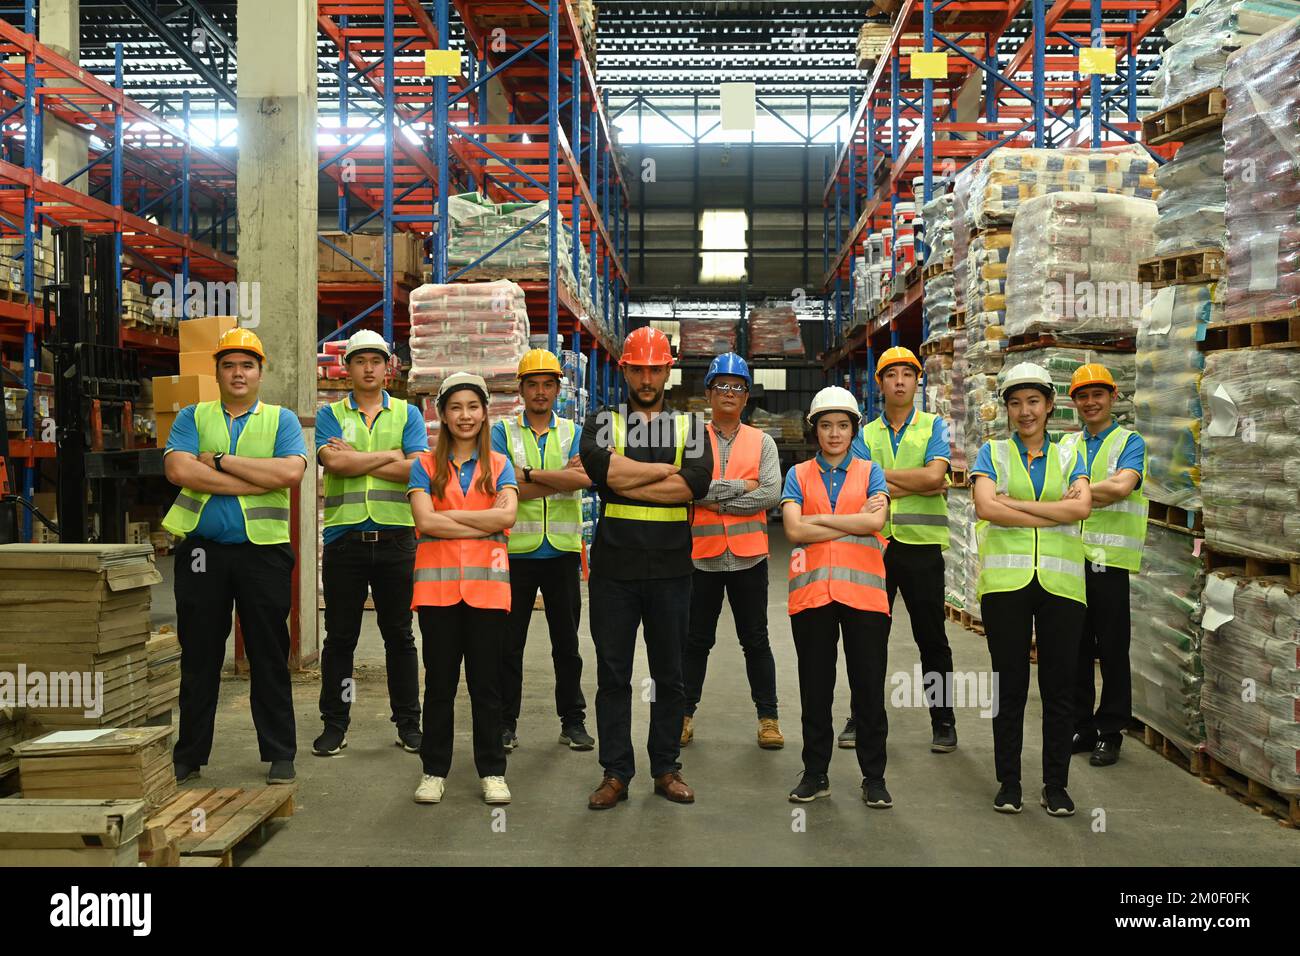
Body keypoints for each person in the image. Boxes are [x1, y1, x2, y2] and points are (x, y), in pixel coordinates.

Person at [162, 327, 308, 786]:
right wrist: (254, 479)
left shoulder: (280, 420)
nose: (238, 373)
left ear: (261, 372)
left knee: (269, 653)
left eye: (247, 365)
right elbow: (176, 468)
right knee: (200, 655)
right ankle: (190, 755)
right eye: (229, 365)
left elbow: (290, 472)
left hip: (262, 552)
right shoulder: (193, 415)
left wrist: (220, 462)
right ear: (218, 372)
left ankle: (280, 753)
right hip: (203, 552)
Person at [579, 325, 713, 810]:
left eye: (656, 368)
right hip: (614, 570)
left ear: (668, 371)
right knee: (613, 675)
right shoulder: (602, 422)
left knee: (668, 675)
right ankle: (616, 773)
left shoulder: (691, 427)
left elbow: (694, 485)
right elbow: (600, 471)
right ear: (626, 370)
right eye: (639, 368)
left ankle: (665, 768)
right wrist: (662, 473)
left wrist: (624, 479)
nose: (648, 377)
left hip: (672, 571)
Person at [970, 362, 1091, 817]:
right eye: (1016, 402)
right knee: (1011, 687)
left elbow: (1081, 508)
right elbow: (985, 507)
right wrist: (1048, 510)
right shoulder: (992, 453)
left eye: (1034, 401)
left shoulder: (1069, 454)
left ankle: (1055, 785)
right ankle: (1009, 782)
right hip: (1006, 585)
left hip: (1061, 586)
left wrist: (1013, 505)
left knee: (1059, 688)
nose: (1025, 411)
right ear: (1006, 408)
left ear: (1050, 405)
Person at [314, 330, 427, 758]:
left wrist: (361, 461)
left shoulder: (407, 414)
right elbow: (333, 462)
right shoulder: (330, 415)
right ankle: (335, 726)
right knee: (340, 638)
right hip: (345, 539)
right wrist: (390, 456)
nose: (368, 367)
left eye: (375, 360)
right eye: (359, 360)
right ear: (347, 367)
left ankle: (409, 724)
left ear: (387, 368)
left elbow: (418, 469)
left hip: (397, 538)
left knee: (399, 635)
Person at [407, 372, 518, 806]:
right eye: (456, 407)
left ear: (485, 412)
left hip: (487, 592)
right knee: (439, 685)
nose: (465, 415)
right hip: (437, 595)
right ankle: (434, 770)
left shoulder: (501, 464)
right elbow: (425, 522)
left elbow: (506, 520)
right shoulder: (424, 466)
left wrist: (449, 520)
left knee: (487, 686)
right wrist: (482, 518)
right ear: (442, 416)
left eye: (473, 406)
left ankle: (492, 771)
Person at [781, 386, 894, 809]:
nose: (834, 433)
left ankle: (874, 777)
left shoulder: (872, 473)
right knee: (815, 689)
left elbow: (876, 522)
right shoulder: (798, 474)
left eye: (842, 425)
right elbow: (793, 531)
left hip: (864, 598)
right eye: (826, 425)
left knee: (868, 689)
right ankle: (815, 773)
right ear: (815, 430)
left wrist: (819, 521)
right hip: (811, 596)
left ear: (853, 430)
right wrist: (851, 522)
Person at [853, 346, 957, 753]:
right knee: (867, 639)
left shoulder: (934, 426)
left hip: (921, 548)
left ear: (918, 381)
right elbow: (858, 487)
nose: (899, 381)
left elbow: (935, 477)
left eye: (907, 374)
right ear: (880, 383)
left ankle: (943, 718)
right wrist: (920, 480)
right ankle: (861, 717)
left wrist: (881, 479)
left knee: (931, 638)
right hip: (873, 546)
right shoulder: (864, 433)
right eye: (891, 374)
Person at [491, 349, 594, 753]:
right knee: (507, 645)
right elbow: (503, 485)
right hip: (516, 551)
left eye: (547, 384)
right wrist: (561, 479)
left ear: (557, 388)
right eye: (532, 384)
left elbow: (584, 479)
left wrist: (529, 476)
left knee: (566, 644)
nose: (540, 391)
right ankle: (504, 723)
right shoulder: (502, 431)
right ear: (521, 389)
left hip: (562, 552)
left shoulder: (574, 430)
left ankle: (573, 721)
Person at [682, 352, 784, 749]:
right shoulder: (689, 438)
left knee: (755, 639)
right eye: (721, 385)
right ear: (708, 392)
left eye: (737, 387)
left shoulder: (763, 442)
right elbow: (685, 489)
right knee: (694, 641)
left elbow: (771, 493)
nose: (729, 393)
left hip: (748, 556)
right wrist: (742, 487)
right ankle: (683, 715)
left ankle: (769, 717)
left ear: (746, 397)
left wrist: (716, 499)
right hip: (700, 556)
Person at [1059, 364, 1147, 768]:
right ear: (1073, 401)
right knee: (1074, 645)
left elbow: (1121, 487)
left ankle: (1110, 730)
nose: (1090, 402)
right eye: (1082, 396)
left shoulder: (1129, 441)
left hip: (1109, 562)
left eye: (1098, 395)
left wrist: (1074, 494)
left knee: (1113, 648)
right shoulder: (1064, 445)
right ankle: (1082, 725)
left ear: (1112, 397)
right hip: (1070, 558)